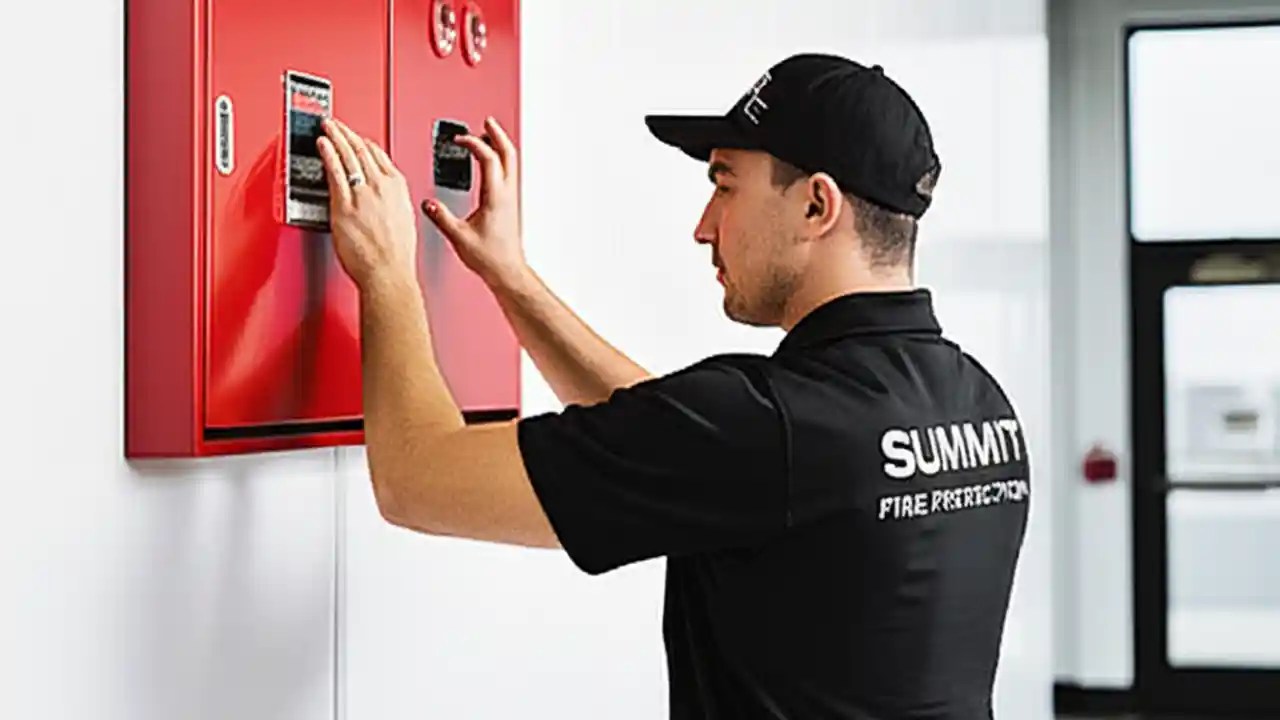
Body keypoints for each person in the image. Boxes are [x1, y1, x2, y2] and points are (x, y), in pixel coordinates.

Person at [314, 52, 1031, 720]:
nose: (703, 226)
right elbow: (689, 446)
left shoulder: (769, 429)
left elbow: (415, 477)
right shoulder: (979, 404)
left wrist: (385, 271)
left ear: (817, 207)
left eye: (724, 185)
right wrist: (511, 279)